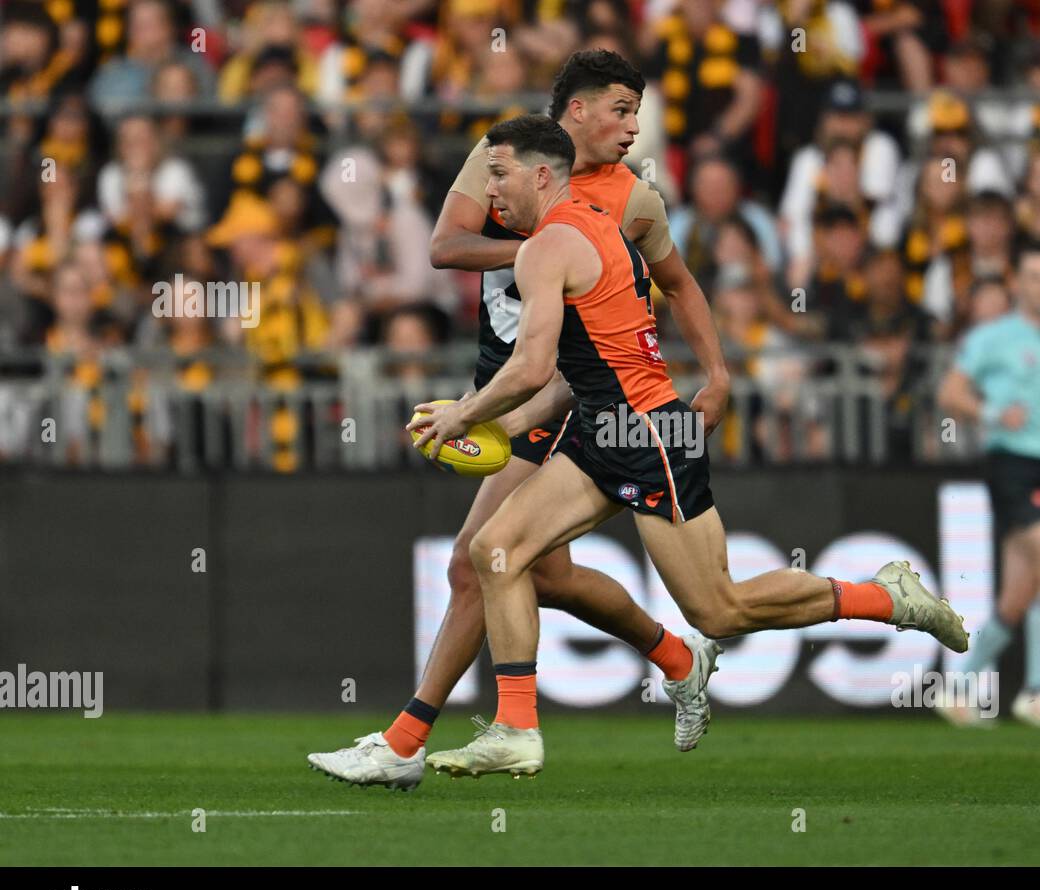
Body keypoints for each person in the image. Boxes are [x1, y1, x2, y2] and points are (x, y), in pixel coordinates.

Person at [406, 115, 968, 778]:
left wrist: (463, 415)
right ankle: (516, 730)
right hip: (602, 427)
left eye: (499, 173)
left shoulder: (546, 247)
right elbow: (569, 377)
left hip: (647, 435)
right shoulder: (595, 229)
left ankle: (888, 597)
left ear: (540, 174)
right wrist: (492, 425)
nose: (490, 188)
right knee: (494, 551)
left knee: (719, 608)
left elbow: (532, 366)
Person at [307, 50, 730, 790]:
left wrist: (719, 373)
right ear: (577, 113)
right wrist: (544, 248)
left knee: (476, 558)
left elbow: (680, 284)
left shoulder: (637, 199)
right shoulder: (512, 157)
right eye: (623, 110)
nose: (634, 128)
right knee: (544, 571)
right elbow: (445, 246)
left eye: (637, 112)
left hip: (564, 389)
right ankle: (678, 658)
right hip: (513, 376)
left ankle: (407, 743)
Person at [937, 245, 1040, 729]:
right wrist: (990, 414)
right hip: (1013, 466)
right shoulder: (992, 338)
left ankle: (959, 688)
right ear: (1017, 285)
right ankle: (1036, 692)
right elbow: (950, 393)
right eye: (1032, 276)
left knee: (1018, 593)